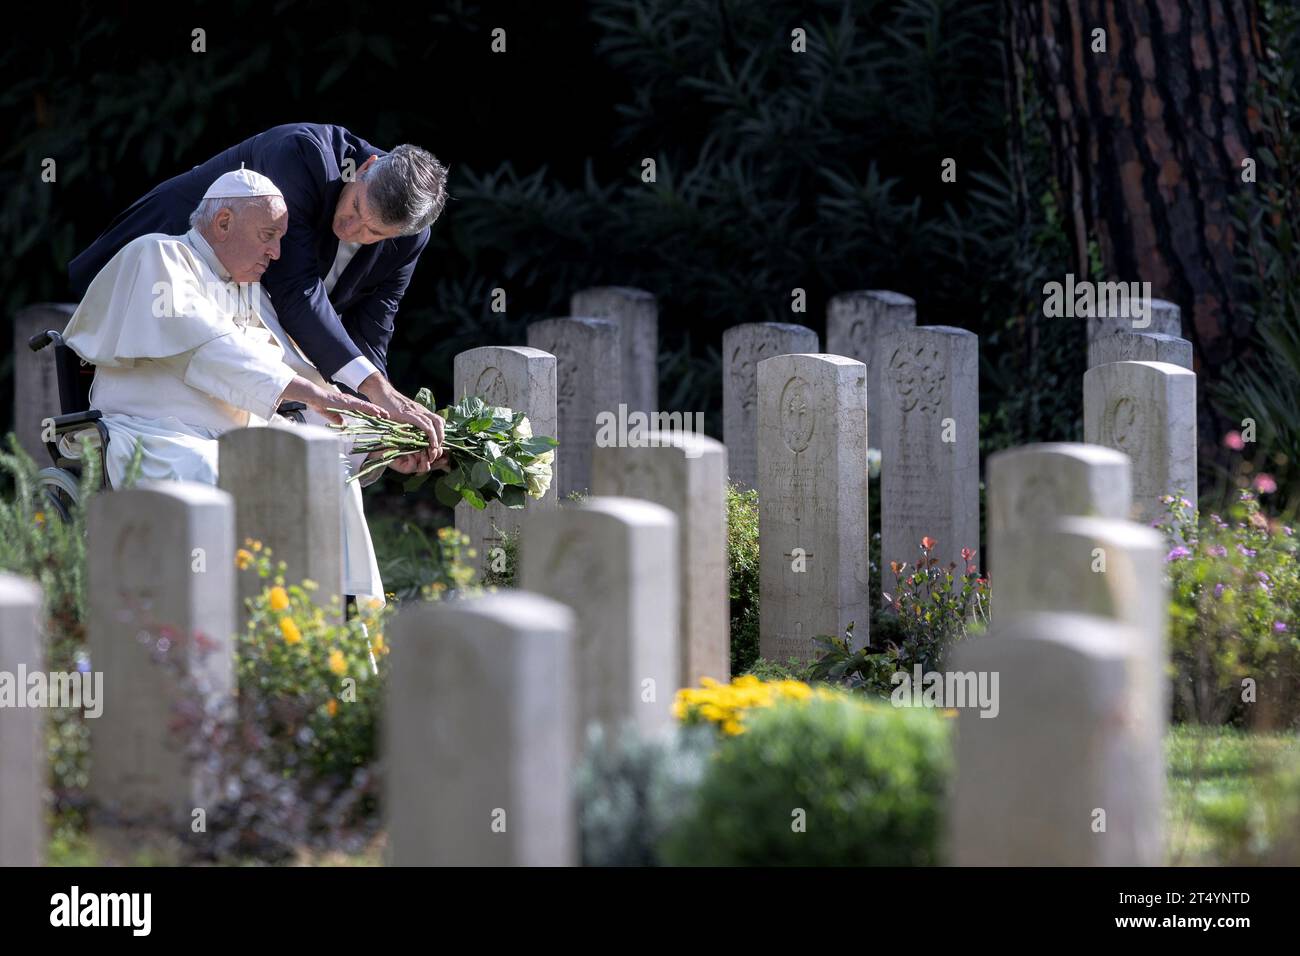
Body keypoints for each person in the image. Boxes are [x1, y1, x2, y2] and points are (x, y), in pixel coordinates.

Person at [62, 167, 393, 601]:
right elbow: (211, 348)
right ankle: (236, 625)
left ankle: (333, 623)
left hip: (233, 439)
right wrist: (311, 392)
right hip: (156, 435)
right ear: (223, 223)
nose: (277, 252)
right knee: (232, 477)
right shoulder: (158, 255)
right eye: (269, 235)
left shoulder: (245, 290)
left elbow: (291, 370)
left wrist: (372, 441)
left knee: (326, 476)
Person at [68, 122, 449, 475]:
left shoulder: (254, 288)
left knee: (320, 481)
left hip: (236, 427)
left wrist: (378, 433)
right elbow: (284, 305)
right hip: (164, 402)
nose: (351, 231)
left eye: (373, 233)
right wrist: (374, 393)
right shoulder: (301, 156)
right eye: (355, 210)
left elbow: (355, 342)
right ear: (365, 168)